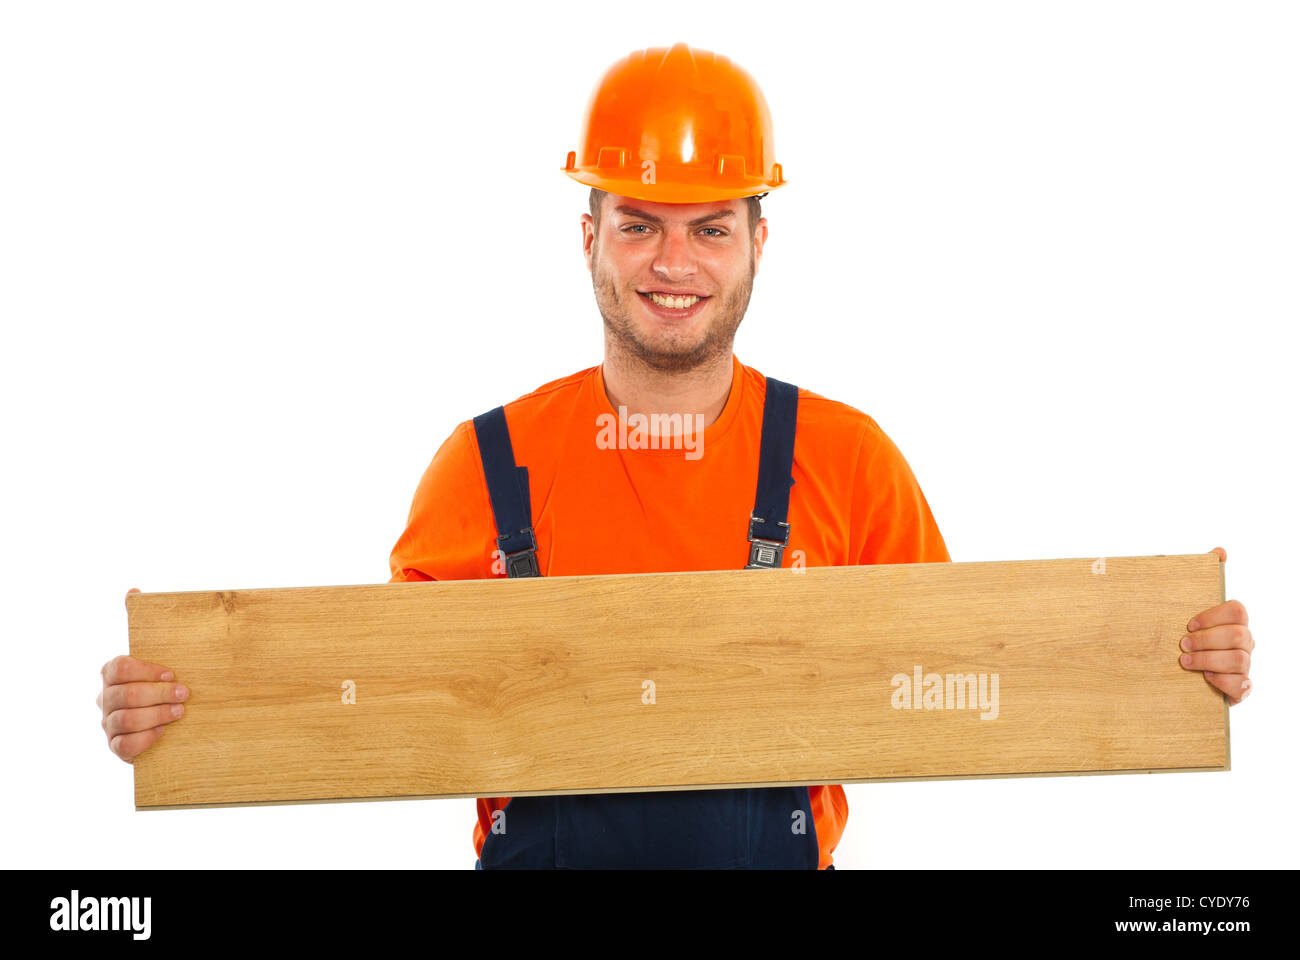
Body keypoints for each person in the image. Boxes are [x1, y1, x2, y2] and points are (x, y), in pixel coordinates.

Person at [99, 42, 1256, 869]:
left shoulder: (846, 463)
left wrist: (1166, 662)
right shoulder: (482, 466)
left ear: (760, 240)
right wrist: (182, 707)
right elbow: (366, 709)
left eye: (711, 225)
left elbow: (979, 677)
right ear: (586, 234)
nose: (674, 261)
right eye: (639, 222)